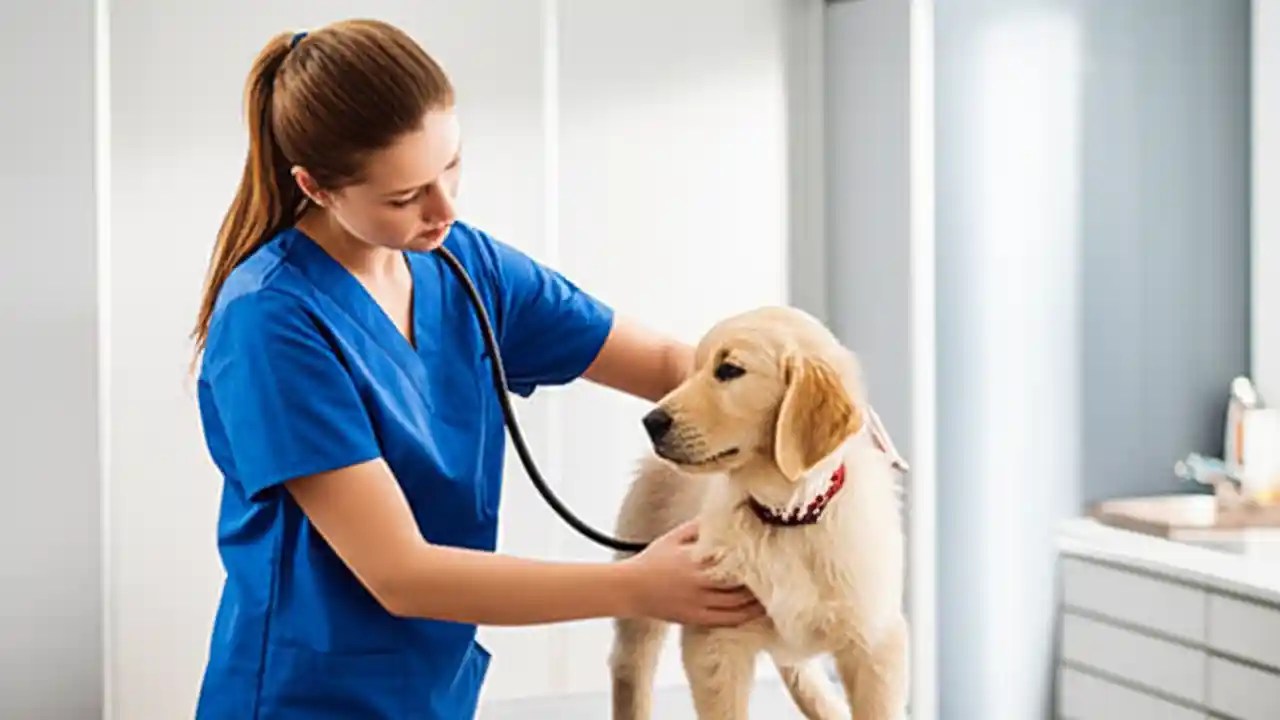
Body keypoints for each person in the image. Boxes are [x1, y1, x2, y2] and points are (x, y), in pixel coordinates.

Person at [190, 18, 764, 720]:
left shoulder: (467, 267)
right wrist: (639, 586)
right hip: (305, 698)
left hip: (433, 691)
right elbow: (399, 574)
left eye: (451, 166)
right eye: (405, 197)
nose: (445, 209)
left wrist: (805, 402)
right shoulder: (271, 321)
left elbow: (675, 366)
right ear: (315, 187)